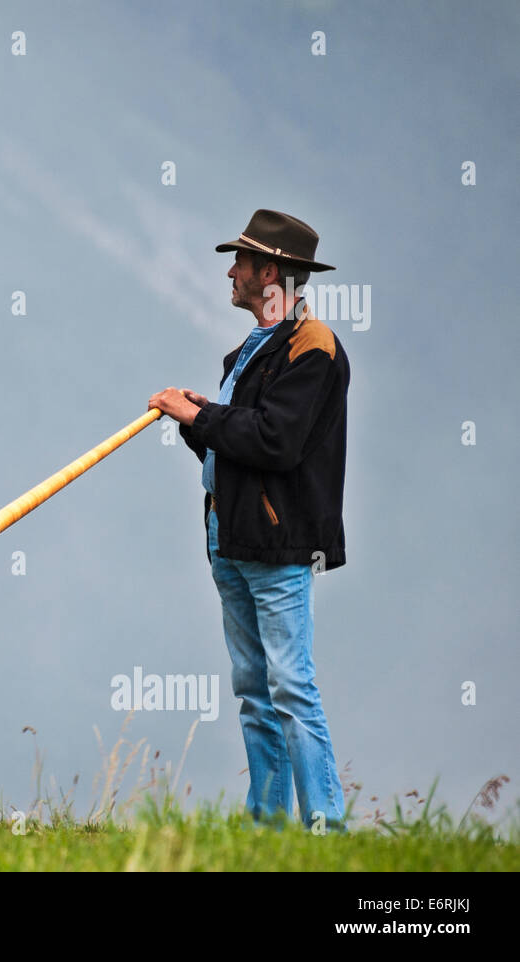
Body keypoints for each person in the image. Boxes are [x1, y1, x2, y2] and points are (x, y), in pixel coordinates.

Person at [147, 209, 349, 832]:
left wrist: (200, 416)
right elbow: (234, 449)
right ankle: (267, 827)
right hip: (233, 540)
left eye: (240, 261)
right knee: (255, 692)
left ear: (271, 272)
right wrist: (199, 419)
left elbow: (276, 442)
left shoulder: (312, 348)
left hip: (278, 547)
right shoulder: (256, 350)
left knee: (290, 689)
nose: (230, 272)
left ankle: (325, 828)